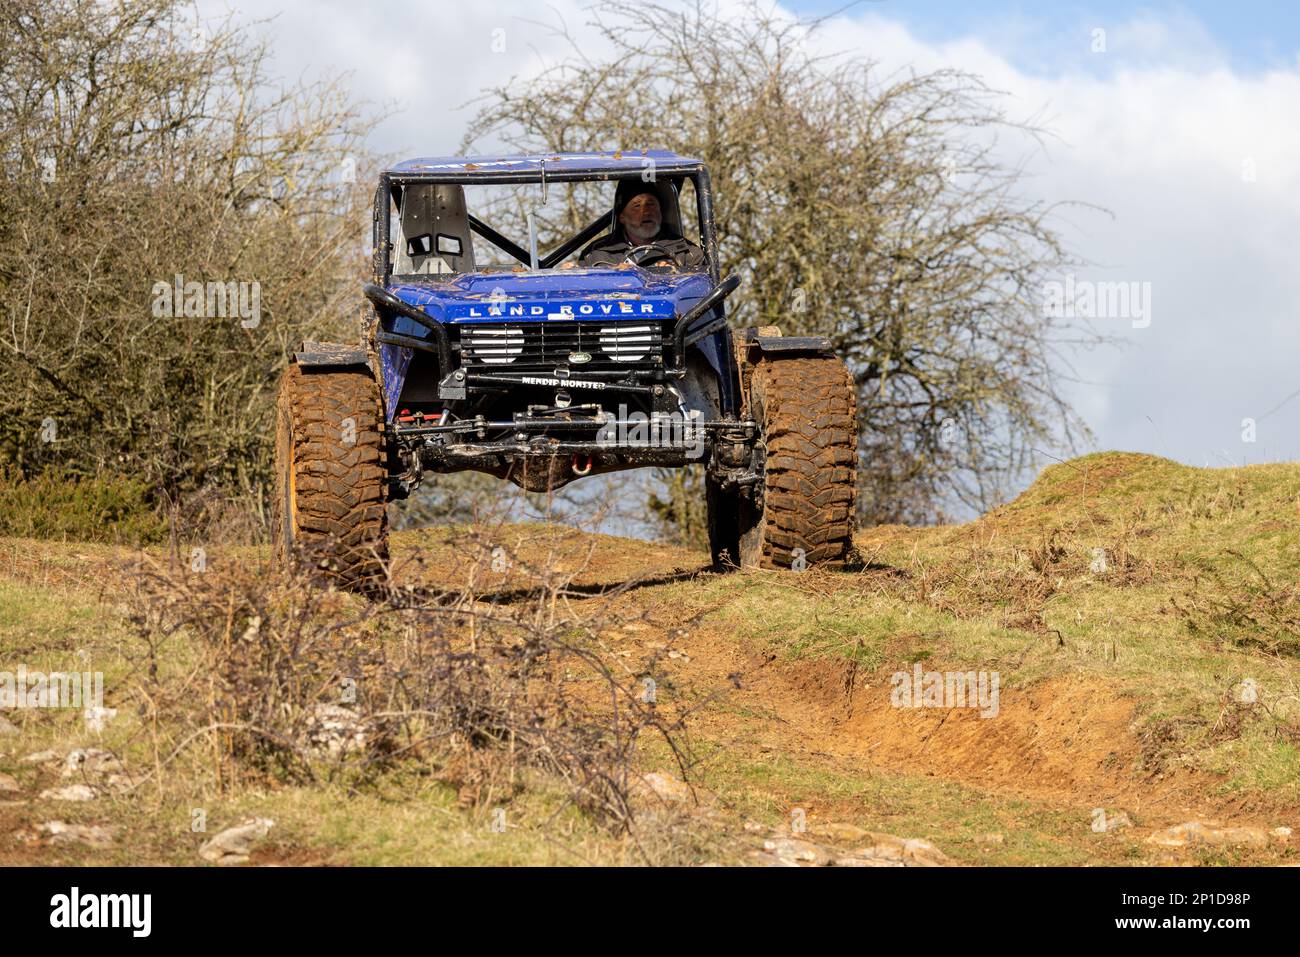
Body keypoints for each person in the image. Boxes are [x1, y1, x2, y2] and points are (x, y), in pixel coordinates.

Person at [577, 184, 705, 270]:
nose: (646, 211)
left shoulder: (688, 252)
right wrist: (569, 274)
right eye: (637, 206)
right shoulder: (595, 253)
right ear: (622, 217)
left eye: (651, 204)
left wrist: (675, 275)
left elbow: (700, 295)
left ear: (661, 212)